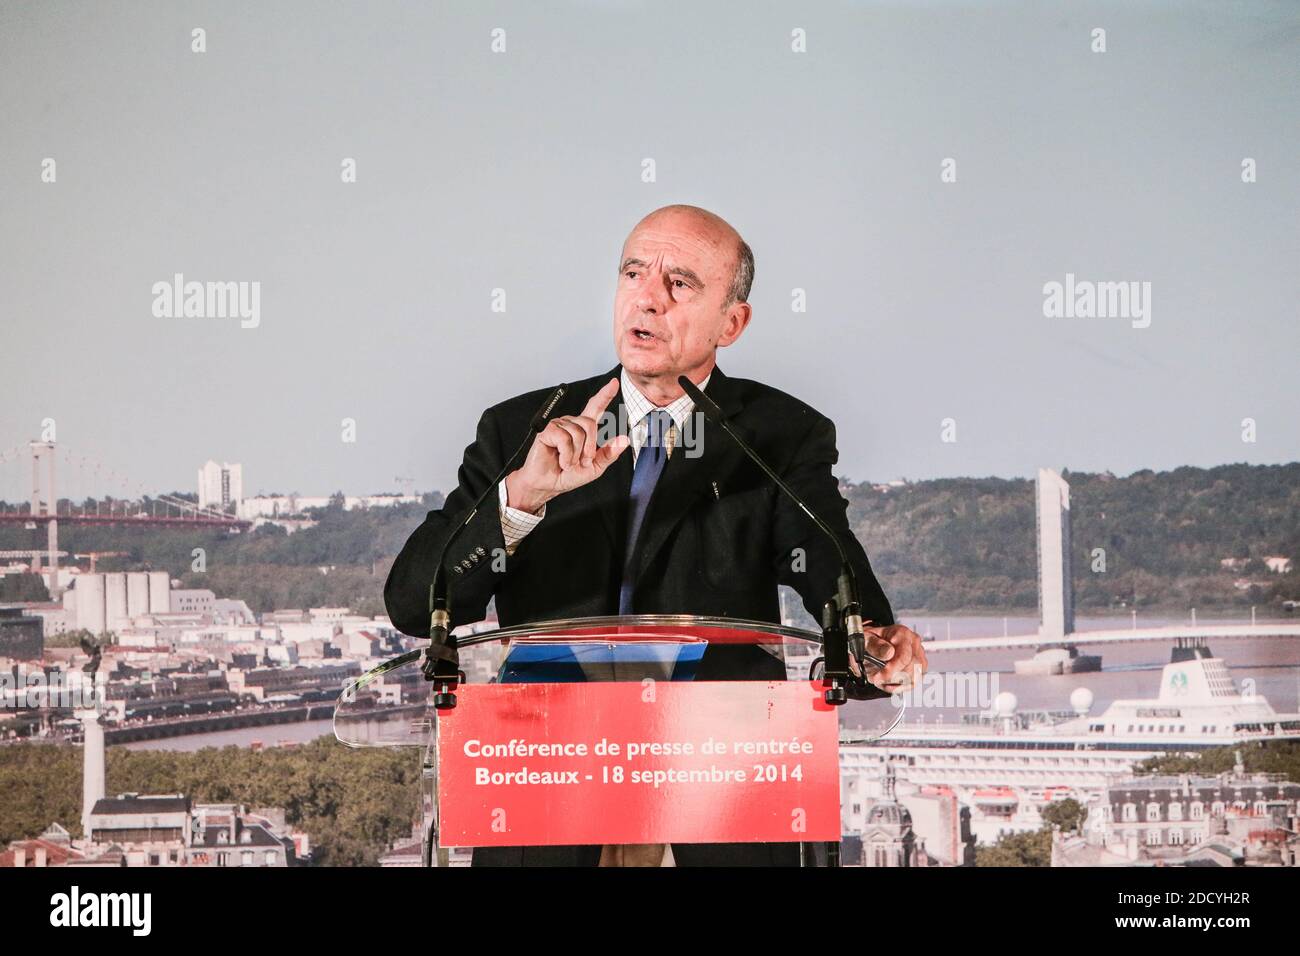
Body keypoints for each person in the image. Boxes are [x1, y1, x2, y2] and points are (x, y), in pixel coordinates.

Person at [385, 204, 928, 865]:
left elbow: (837, 583)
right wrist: (521, 498)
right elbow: (417, 602)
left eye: (680, 283)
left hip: (720, 798)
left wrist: (871, 645)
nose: (647, 298)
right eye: (634, 272)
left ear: (732, 321)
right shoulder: (524, 427)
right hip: (552, 787)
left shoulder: (778, 437)